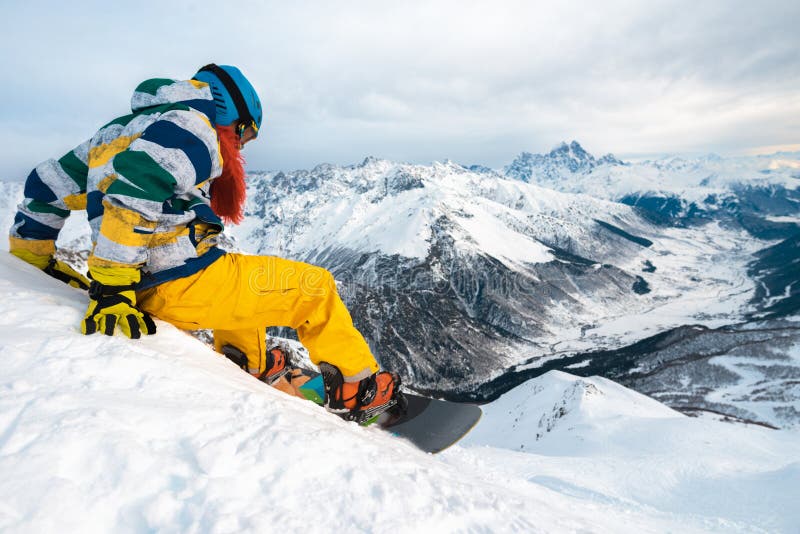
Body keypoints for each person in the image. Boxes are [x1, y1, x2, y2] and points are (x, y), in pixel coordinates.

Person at [8, 63, 400, 417]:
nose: (243, 145)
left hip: (144, 284)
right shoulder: (194, 127)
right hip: (172, 282)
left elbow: (46, 185)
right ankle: (359, 390)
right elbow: (135, 191)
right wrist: (112, 286)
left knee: (244, 279)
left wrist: (35, 260)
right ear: (229, 113)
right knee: (315, 289)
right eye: (245, 133)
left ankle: (246, 362)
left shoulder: (116, 132)